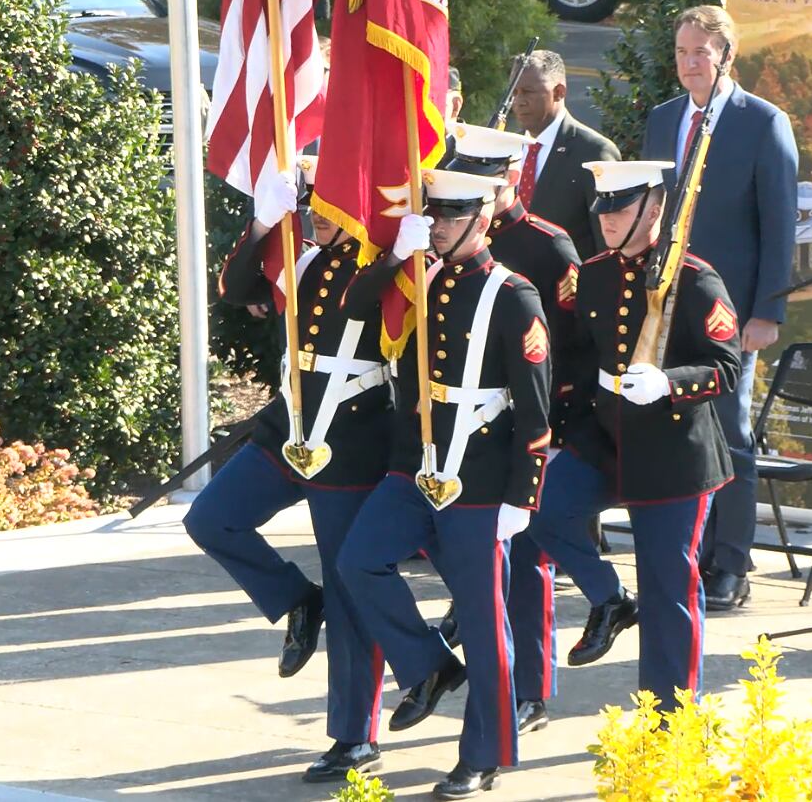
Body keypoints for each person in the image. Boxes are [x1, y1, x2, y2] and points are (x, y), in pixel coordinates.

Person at [183, 156, 428, 782]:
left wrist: (400, 256)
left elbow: (361, 308)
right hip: (290, 422)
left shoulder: (381, 266)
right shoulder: (304, 256)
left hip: (350, 435)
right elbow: (237, 288)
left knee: (350, 591)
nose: (314, 217)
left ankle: (354, 735)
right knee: (212, 518)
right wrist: (264, 224)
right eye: (308, 206)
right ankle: (296, 599)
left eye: (326, 208)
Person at [337, 168, 551, 799]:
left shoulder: (513, 295)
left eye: (450, 218)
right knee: (358, 563)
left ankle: (481, 753)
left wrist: (522, 495)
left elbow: (536, 410)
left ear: (481, 221)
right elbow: (355, 306)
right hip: (415, 465)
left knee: (485, 623)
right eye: (432, 217)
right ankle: (430, 666)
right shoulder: (420, 274)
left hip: (481, 478)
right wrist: (399, 254)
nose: (437, 228)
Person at [522, 159, 742, 713]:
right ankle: (609, 598)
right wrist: (566, 428)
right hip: (606, 442)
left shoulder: (694, 279)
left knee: (669, 590)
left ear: (655, 208)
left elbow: (727, 366)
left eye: (620, 210)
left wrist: (669, 383)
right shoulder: (593, 274)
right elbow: (572, 356)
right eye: (604, 211)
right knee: (539, 509)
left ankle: (669, 720)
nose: (608, 222)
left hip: (674, 454)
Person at [387, 122, 582, 737]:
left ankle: (520, 703)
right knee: (480, 598)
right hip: (444, 457)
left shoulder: (544, 251)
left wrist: (530, 481)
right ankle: (470, 689)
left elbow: (560, 357)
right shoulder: (437, 270)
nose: (443, 222)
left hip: (513, 446)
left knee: (516, 584)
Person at [641, 4, 798, 610]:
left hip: (730, 309)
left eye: (699, 54)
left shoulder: (762, 122)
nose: (688, 65)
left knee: (729, 428)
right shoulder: (662, 120)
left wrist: (768, 312)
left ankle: (730, 561)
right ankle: (685, 554)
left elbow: (780, 224)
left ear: (726, 56)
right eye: (680, 53)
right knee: (676, 425)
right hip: (666, 303)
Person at [507, 49, 621, 260]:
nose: (519, 101)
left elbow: (607, 245)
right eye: (514, 92)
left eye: (528, 92)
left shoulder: (594, 152)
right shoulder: (505, 149)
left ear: (559, 92)